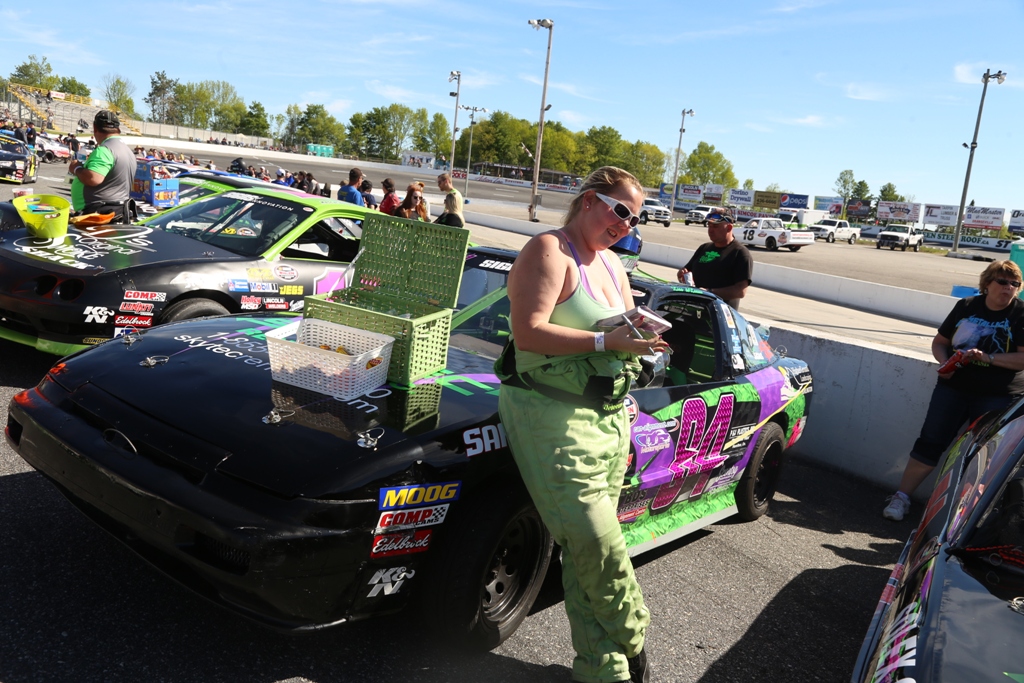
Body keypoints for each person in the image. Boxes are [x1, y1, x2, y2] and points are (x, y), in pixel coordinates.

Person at [497, 166, 665, 683]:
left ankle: (602, 670)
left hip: (609, 418)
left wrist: (644, 345)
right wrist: (603, 343)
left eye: (636, 219)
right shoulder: (548, 250)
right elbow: (528, 334)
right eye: (620, 211)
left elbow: (626, 328)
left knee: (582, 553)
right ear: (590, 200)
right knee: (596, 541)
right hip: (551, 416)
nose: (626, 225)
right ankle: (633, 638)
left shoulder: (614, 264)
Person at [882, 261, 1024, 521]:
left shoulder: (1021, 313)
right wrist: (944, 363)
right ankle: (901, 497)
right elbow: (940, 343)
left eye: (1014, 284)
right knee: (930, 442)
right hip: (953, 388)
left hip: (998, 395)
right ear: (987, 283)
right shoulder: (967, 306)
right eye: (1002, 282)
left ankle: (961, 518)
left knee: (983, 456)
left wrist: (989, 358)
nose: (1009, 288)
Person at [68, 110, 137, 223]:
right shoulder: (127, 151)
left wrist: (76, 168)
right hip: (116, 212)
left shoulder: (104, 150)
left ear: (95, 128)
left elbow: (93, 178)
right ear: (118, 130)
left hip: (99, 216)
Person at [675, 211, 753, 310]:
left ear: (729, 228)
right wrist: (681, 274)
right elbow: (686, 271)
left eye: (715, 226)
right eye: (709, 226)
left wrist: (709, 292)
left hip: (719, 317)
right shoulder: (704, 248)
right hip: (693, 312)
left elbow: (740, 291)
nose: (710, 230)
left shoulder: (740, 253)